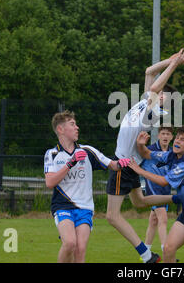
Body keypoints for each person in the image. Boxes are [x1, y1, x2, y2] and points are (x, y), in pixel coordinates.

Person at [106, 48, 184, 263]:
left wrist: (173, 66)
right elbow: (149, 72)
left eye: (165, 95)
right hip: (132, 162)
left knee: (112, 216)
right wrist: (171, 60)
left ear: (165, 101)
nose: (160, 94)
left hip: (123, 163)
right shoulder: (146, 101)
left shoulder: (153, 112)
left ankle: (147, 256)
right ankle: (179, 197)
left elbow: (154, 86)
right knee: (140, 201)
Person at [44, 110, 130, 263]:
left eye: (76, 124)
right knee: (70, 243)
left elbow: (112, 164)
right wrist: (70, 163)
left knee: (80, 250)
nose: (77, 127)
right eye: (72, 124)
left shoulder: (87, 151)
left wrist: (121, 163)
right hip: (62, 206)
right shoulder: (52, 154)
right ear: (60, 129)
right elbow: (50, 183)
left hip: (85, 208)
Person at [129, 127, 184, 263]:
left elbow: (164, 181)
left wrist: (139, 170)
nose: (177, 141)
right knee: (168, 249)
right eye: (177, 137)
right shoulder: (171, 155)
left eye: (182, 139)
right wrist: (141, 144)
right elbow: (147, 154)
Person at [141, 126, 173, 255]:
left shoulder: (172, 153)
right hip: (153, 189)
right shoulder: (149, 150)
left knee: (154, 221)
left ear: (171, 137)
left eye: (168, 134)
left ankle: (146, 253)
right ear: (158, 136)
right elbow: (139, 162)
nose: (165, 136)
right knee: (163, 219)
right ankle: (166, 252)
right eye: (163, 133)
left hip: (166, 189)